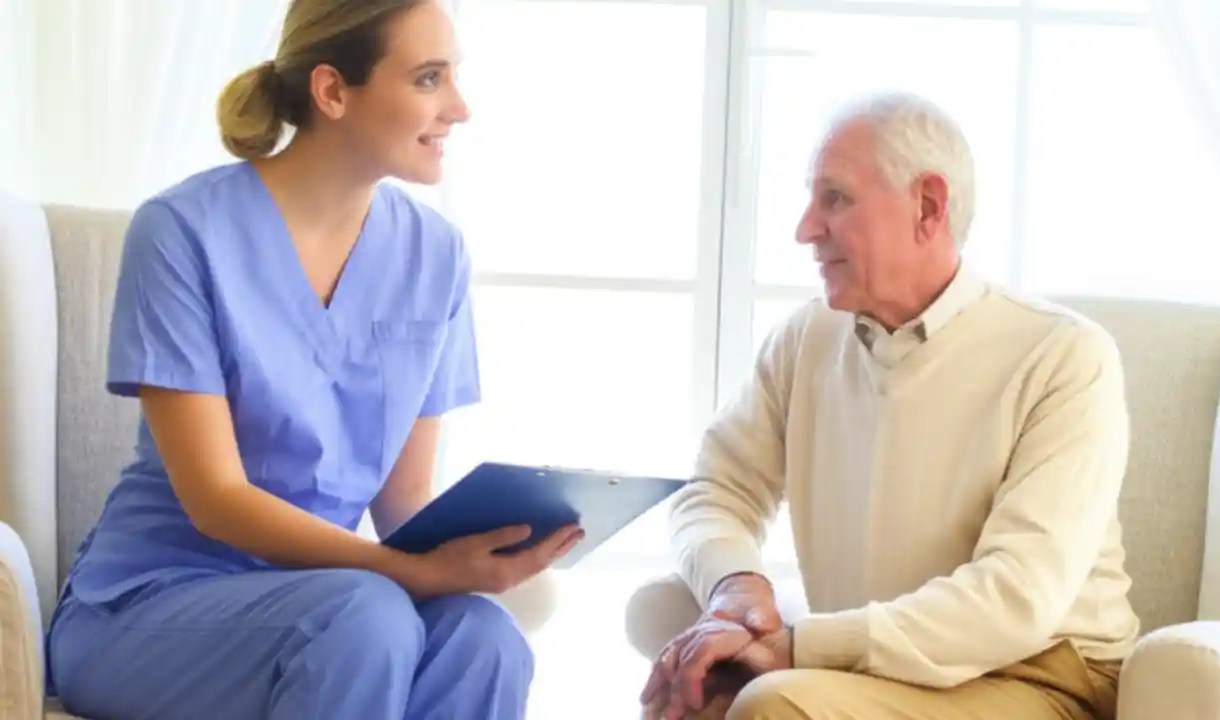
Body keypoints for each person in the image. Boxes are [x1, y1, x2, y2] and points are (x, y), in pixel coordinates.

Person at [44, 2, 582, 718]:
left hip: (340, 604)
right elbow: (216, 500)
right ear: (332, 92)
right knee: (364, 616)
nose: (460, 108)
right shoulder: (181, 232)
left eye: (454, 76)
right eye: (429, 78)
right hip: (151, 608)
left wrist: (488, 548)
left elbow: (402, 506)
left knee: (484, 639)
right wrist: (404, 573)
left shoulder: (436, 256)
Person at [630, 91, 1141, 720]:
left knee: (771, 705)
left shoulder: (1064, 356)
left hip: (1041, 676)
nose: (805, 229)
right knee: (693, 695)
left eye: (835, 199)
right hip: (876, 671)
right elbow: (716, 490)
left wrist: (799, 646)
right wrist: (738, 587)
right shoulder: (807, 338)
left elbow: (1016, 599)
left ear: (927, 207)